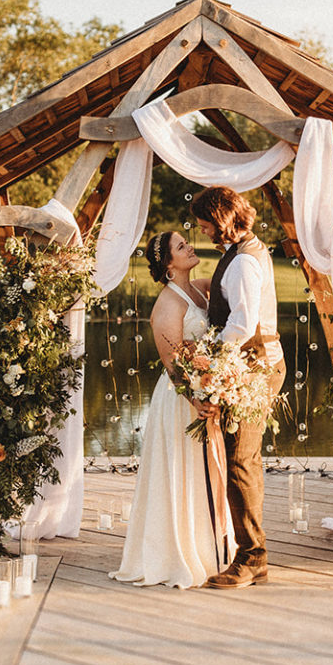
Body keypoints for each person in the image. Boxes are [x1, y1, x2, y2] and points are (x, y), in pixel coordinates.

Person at [110, 230, 234, 589]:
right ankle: (180, 551)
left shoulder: (198, 287)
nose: (190, 246)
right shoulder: (167, 304)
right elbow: (172, 364)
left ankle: (213, 546)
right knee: (185, 470)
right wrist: (197, 397)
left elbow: (230, 276)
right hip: (182, 399)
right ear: (168, 265)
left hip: (205, 389)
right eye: (182, 246)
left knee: (208, 470)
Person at [190, 186, 286, 590]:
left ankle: (251, 559)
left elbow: (243, 325)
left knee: (239, 463)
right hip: (249, 367)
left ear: (222, 218)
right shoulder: (241, 251)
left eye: (206, 223)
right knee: (245, 460)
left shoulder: (245, 262)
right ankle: (253, 551)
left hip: (252, 370)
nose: (203, 230)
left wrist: (212, 364)